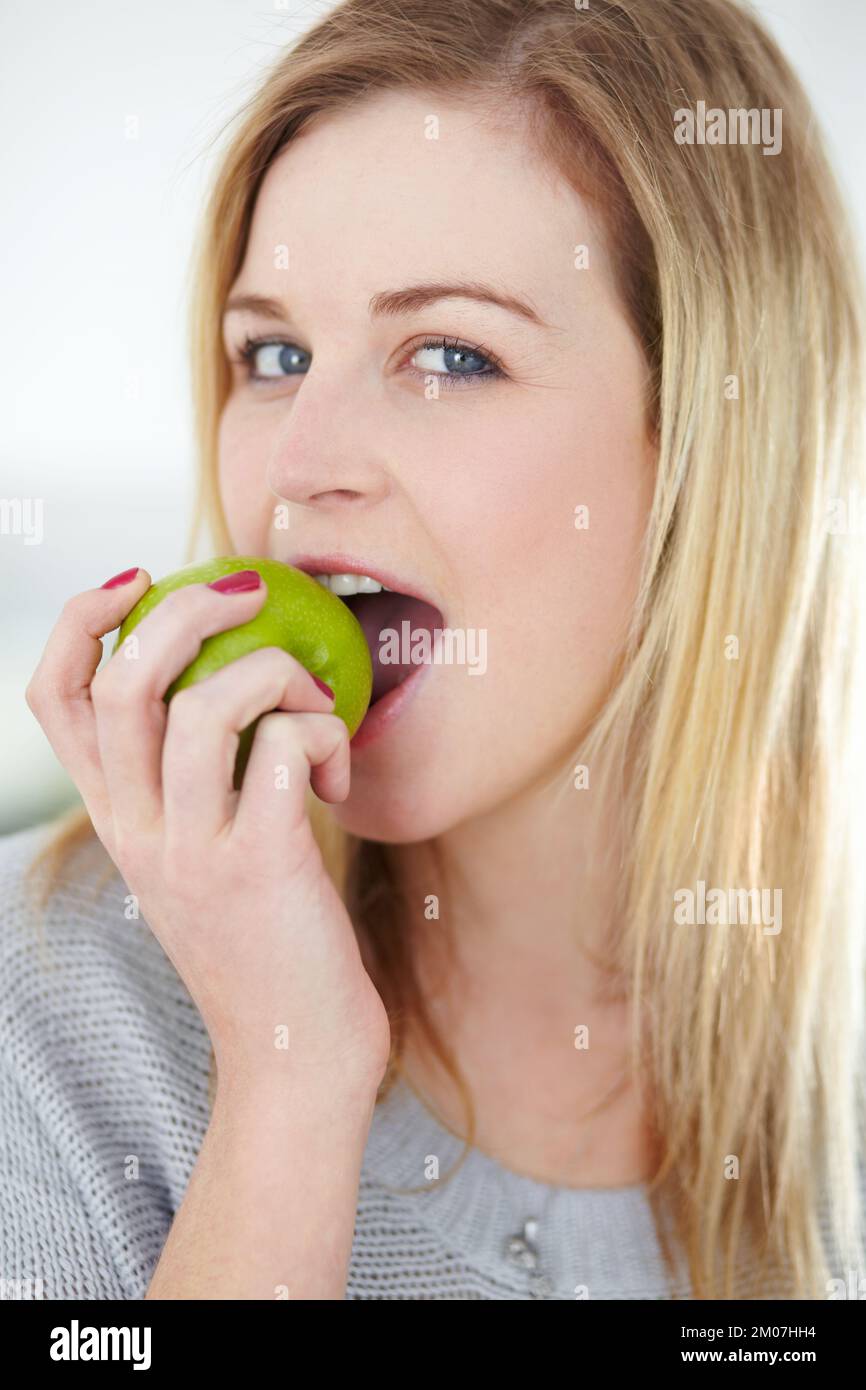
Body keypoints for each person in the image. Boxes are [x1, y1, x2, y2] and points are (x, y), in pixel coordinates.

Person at [2, 0, 865, 1301]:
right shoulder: (45, 1009)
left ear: (709, 447)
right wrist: (285, 1080)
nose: (297, 467)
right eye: (273, 353)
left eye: (450, 355)